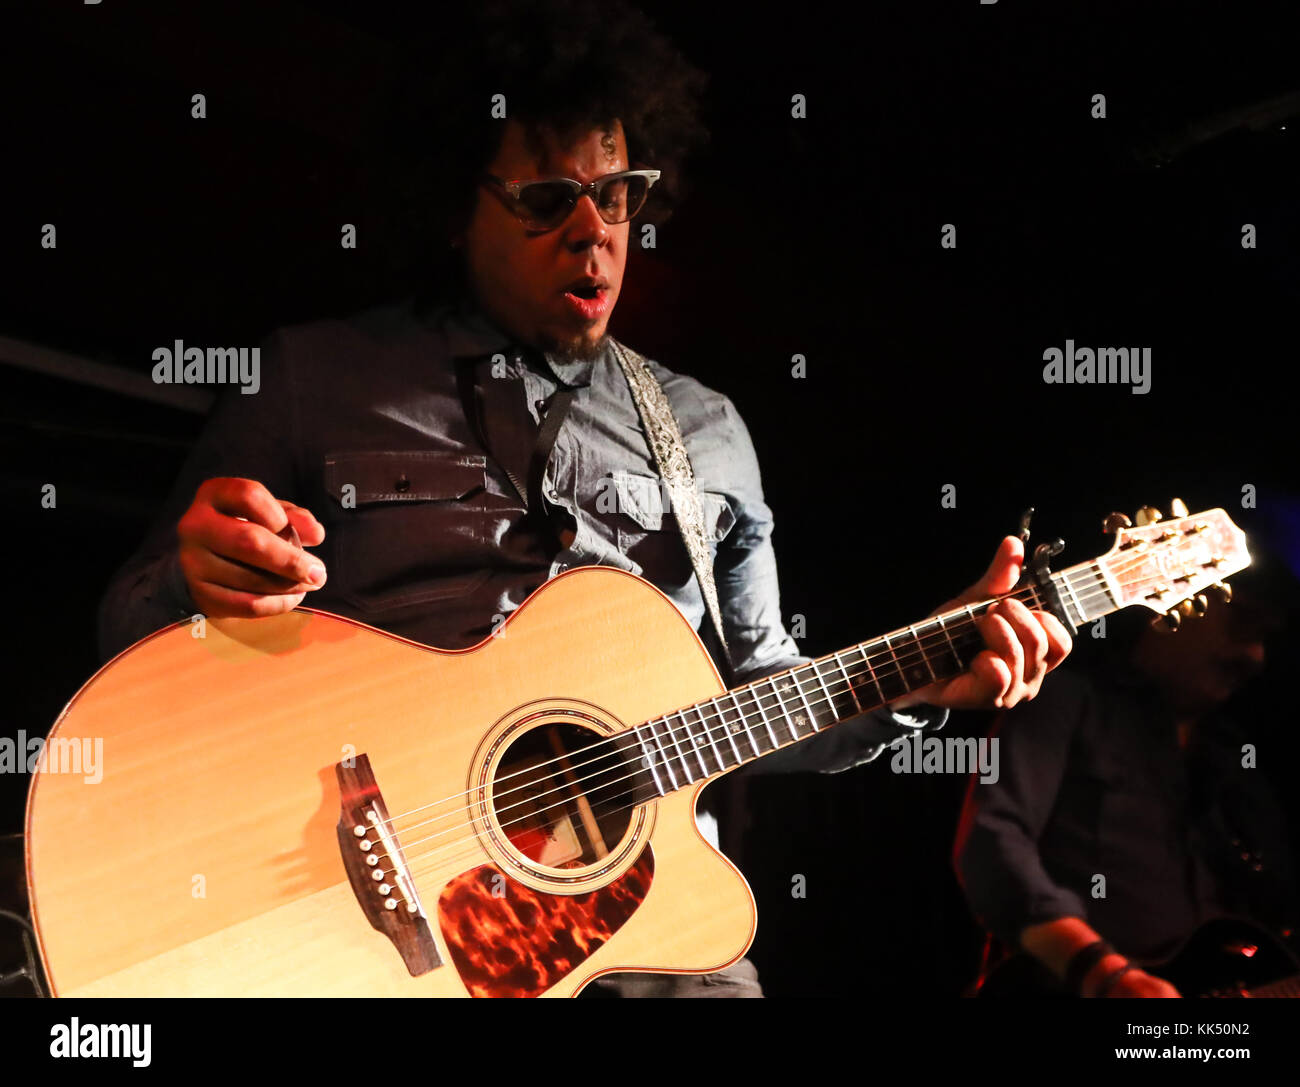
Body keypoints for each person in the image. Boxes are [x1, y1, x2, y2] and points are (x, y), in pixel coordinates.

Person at [99, 0, 1071, 996]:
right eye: (548, 198)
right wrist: (192, 585)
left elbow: (756, 690)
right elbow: (124, 632)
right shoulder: (313, 379)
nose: (594, 233)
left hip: (647, 939)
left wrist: (921, 678)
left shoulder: (707, 433)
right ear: (452, 204)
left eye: (616, 194)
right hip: (374, 939)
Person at [954, 559, 1297, 998]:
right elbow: (991, 845)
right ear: (1175, 606)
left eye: (1265, 637)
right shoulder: (1066, 699)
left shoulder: (1236, 764)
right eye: (1243, 624)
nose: (1255, 656)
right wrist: (1106, 976)